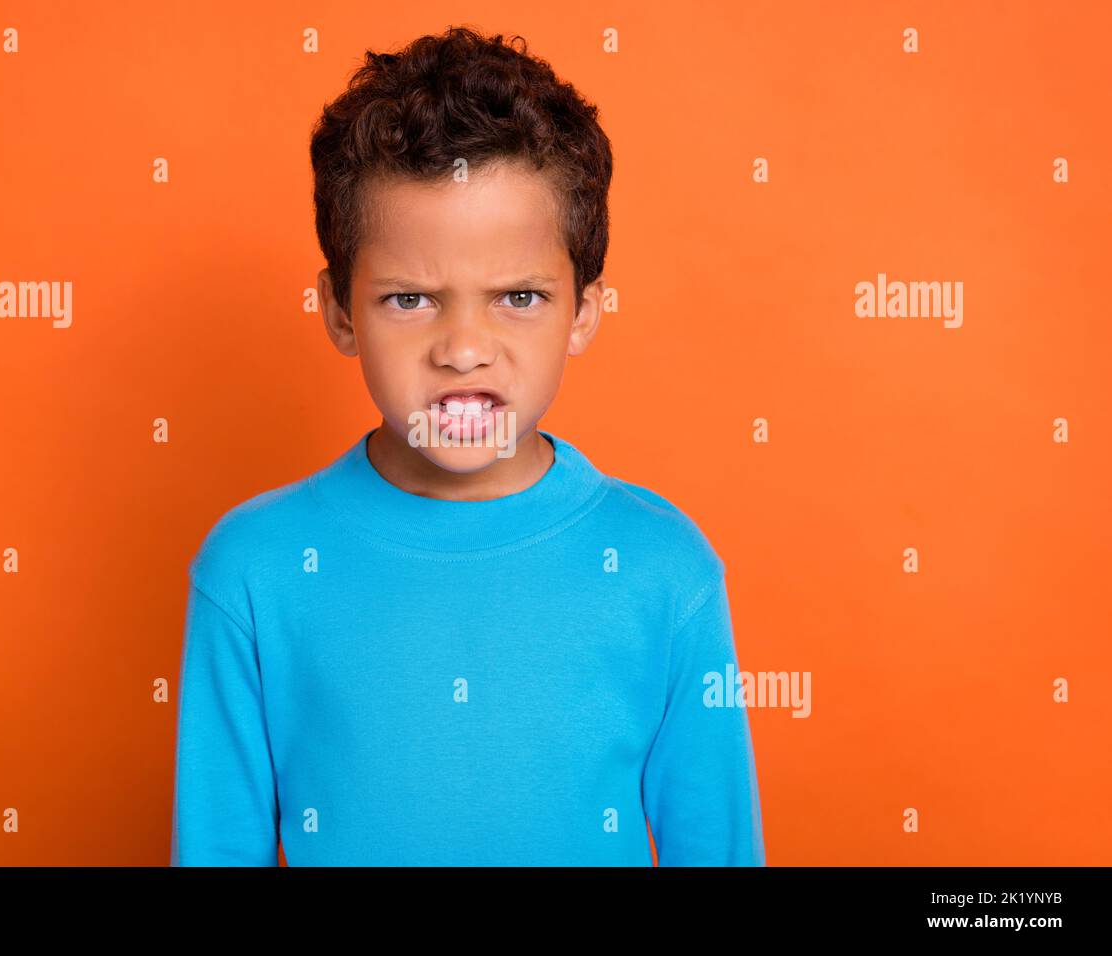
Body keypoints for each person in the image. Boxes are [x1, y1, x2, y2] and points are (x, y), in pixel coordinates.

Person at [170, 25, 765, 866]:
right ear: (340, 311)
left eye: (518, 295)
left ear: (585, 312)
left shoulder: (665, 568)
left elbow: (721, 849)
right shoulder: (253, 570)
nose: (464, 348)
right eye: (410, 300)